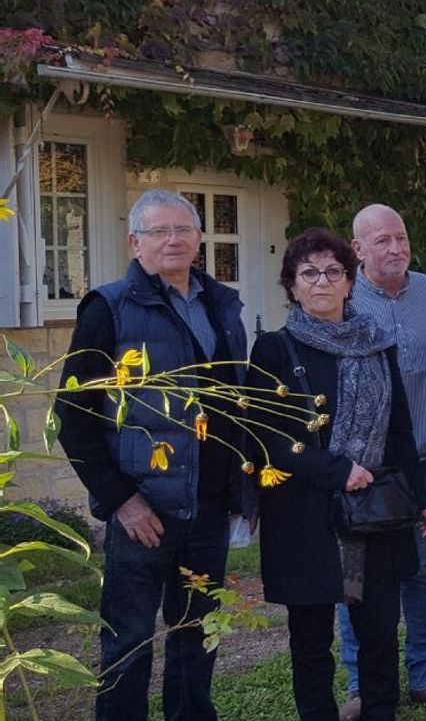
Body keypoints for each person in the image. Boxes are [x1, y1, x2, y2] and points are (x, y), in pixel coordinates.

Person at [55, 189, 247, 721]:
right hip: (144, 508)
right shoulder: (109, 307)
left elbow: (233, 402)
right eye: (159, 231)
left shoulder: (221, 304)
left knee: (198, 634)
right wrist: (122, 500)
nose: (172, 240)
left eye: (183, 229)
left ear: (199, 239)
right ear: (134, 242)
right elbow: (73, 415)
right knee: (129, 639)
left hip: (208, 505)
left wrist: (239, 490)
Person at [246, 228, 426, 721]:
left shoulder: (377, 344)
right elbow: (267, 436)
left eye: (334, 272)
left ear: (350, 282)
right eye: (309, 273)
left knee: (378, 630)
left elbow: (399, 428)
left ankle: (380, 713)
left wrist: (420, 498)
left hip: (372, 510)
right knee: (311, 638)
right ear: (292, 285)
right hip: (303, 513)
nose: (322, 282)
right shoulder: (272, 351)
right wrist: (336, 469)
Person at [334, 205, 426, 719]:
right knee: (357, 576)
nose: (396, 248)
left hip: (423, 457)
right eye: (383, 240)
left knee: (422, 569)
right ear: (358, 249)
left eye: (402, 237)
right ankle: (361, 686)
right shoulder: (344, 298)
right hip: (362, 466)